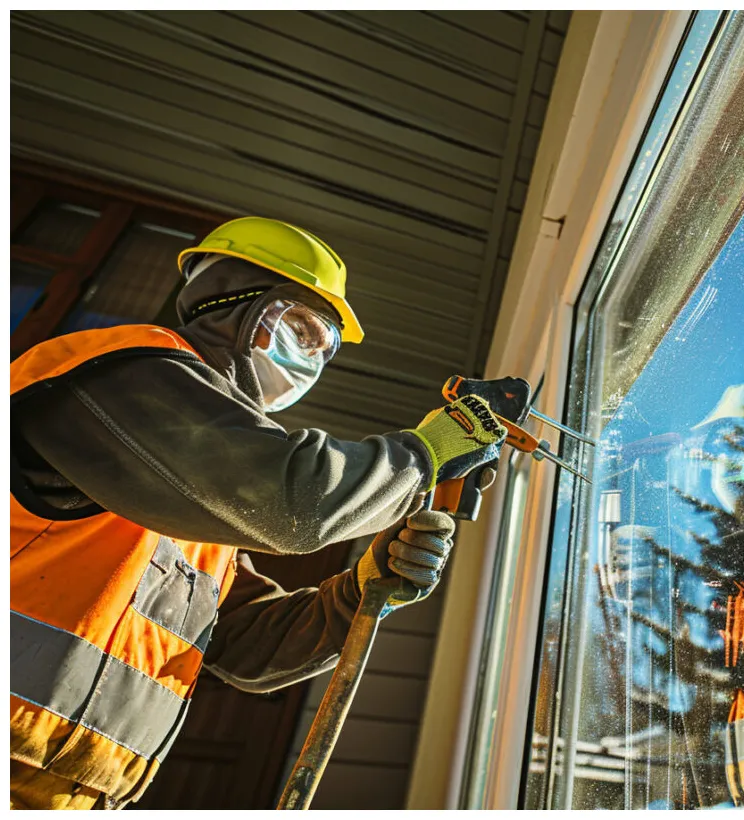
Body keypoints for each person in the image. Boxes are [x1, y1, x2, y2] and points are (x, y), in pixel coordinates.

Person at [9, 216, 508, 810]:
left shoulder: (195, 498)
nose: (312, 358)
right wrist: (425, 456)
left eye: (326, 348)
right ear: (229, 299)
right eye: (302, 327)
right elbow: (295, 504)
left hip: (73, 791)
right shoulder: (123, 370)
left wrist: (358, 593)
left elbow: (245, 645)